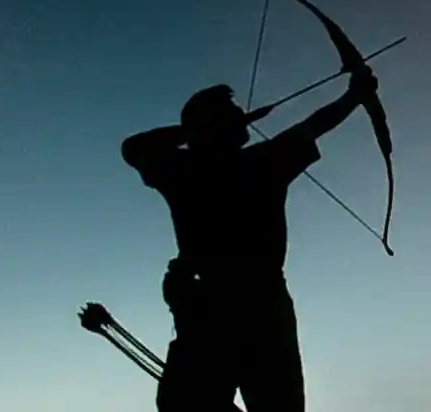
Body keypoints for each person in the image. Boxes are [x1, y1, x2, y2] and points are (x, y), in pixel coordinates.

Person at [121, 68, 378, 411]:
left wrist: (353, 96)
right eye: (229, 113)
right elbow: (132, 147)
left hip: (260, 304)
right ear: (208, 125)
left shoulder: (258, 160)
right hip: (213, 306)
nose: (240, 116)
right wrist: (197, 132)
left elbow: (317, 122)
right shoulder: (184, 167)